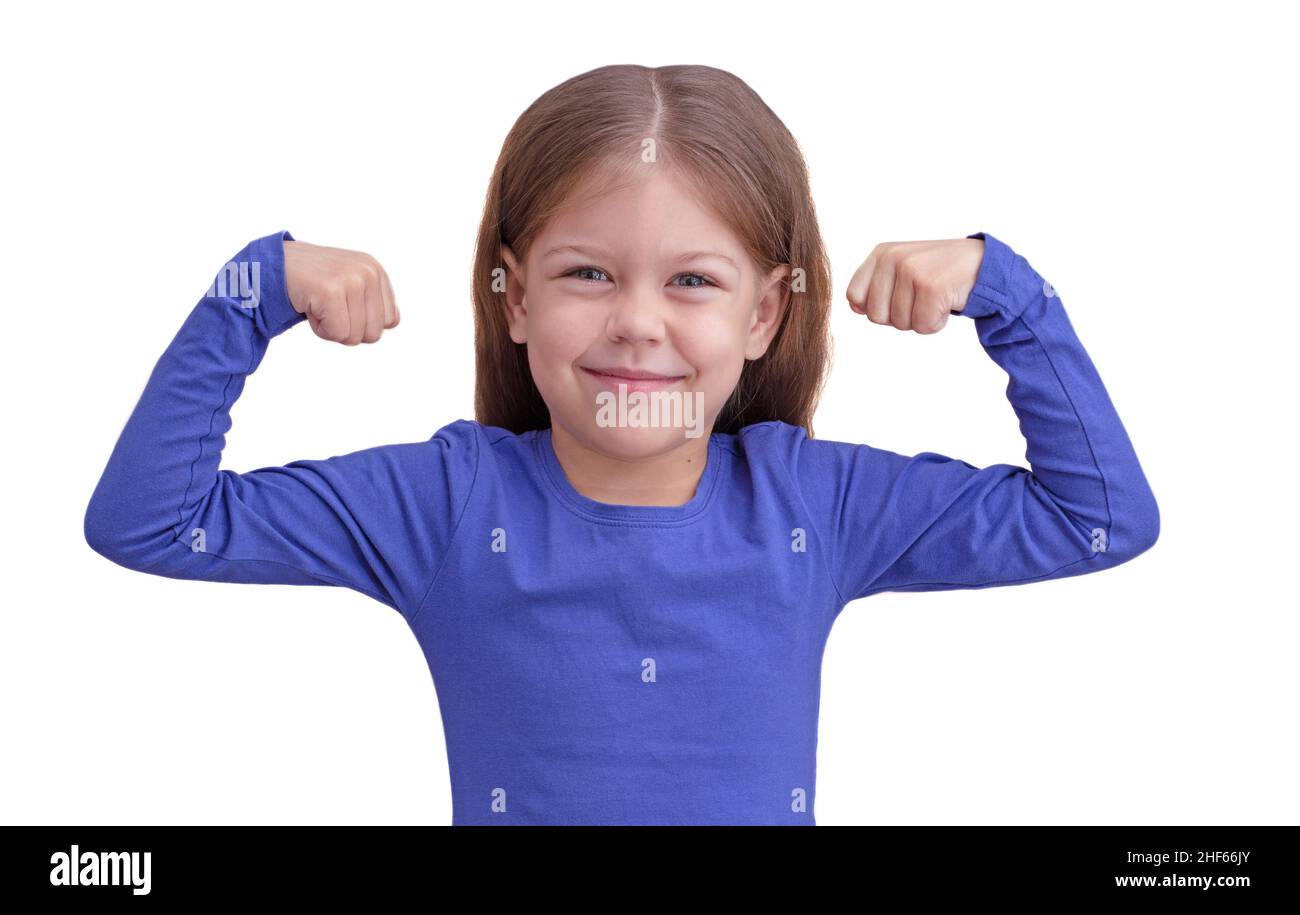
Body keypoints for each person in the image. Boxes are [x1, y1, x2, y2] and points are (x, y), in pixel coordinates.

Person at [83, 64, 1159, 825]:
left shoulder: (811, 507)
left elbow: (1099, 520)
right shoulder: (449, 507)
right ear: (510, 297)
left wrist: (1005, 292)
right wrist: (249, 291)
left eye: (692, 280)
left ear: (764, 316)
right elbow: (151, 524)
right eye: (587, 274)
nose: (638, 322)